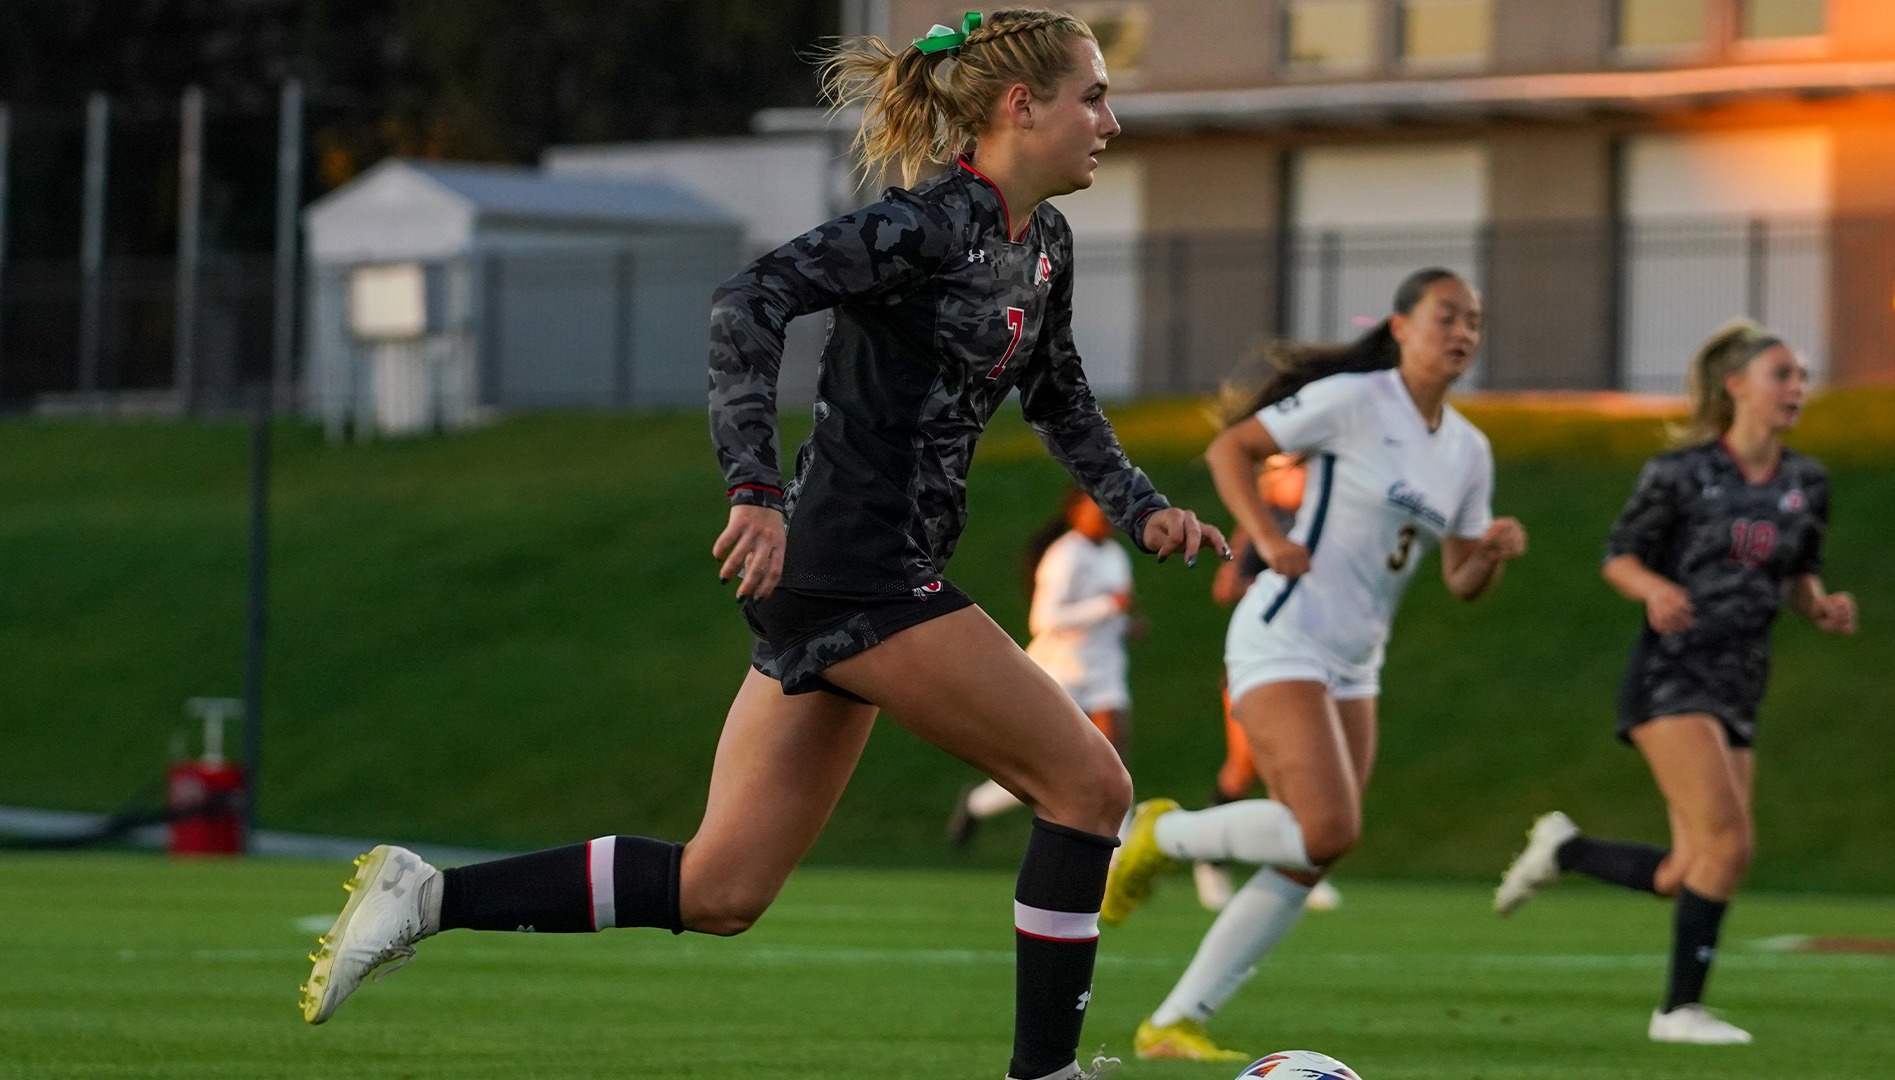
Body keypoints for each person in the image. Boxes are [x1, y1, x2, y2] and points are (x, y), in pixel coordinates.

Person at [296, 11, 1228, 1080]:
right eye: (1094, 95)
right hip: (858, 571)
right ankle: (1044, 1076)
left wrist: (1141, 506)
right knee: (1092, 790)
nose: (1111, 118)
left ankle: (428, 897)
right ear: (1022, 107)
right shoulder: (923, 228)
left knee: (720, 891)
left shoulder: (1042, 247)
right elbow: (750, 299)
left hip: (848, 582)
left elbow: (1059, 398)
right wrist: (753, 486)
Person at [1098, 267, 1528, 1062]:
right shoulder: (1359, 400)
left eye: (1473, 320)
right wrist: (1264, 535)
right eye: (1446, 317)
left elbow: (1462, 581)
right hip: (1284, 633)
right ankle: (1166, 834)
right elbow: (1233, 447)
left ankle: (1173, 1023)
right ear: (1401, 327)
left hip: (1357, 659)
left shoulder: (1470, 450)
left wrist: (1493, 552)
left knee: (1319, 845)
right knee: (1328, 824)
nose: (1462, 332)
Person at [1493, 321, 1855, 1046]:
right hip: (1673, 672)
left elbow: (1795, 571)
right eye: (1782, 374)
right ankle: (1678, 1013)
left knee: (1693, 867)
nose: (1796, 389)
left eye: (1801, 376)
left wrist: (1819, 604)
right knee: (1730, 847)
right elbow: (1619, 555)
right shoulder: (1681, 473)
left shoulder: (1806, 480)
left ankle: (1567, 851)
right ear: (1737, 386)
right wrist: (1653, 590)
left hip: (1743, 680)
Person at [950, 487, 1136, 847]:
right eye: (1099, 509)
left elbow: (1117, 608)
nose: (1108, 516)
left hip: (1105, 669)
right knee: (1045, 770)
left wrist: (1126, 623)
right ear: (1076, 512)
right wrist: (1105, 606)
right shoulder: (1064, 556)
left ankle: (1117, 860)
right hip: (1061, 671)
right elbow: (1044, 619)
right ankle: (978, 803)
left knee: (1115, 762)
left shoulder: (1115, 555)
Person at [1193, 458, 1339, 914]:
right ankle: (1207, 859)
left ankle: (1298, 868)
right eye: (1296, 471)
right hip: (1257, 663)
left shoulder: (1318, 520)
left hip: (1306, 662)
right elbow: (1226, 587)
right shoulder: (1262, 524)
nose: (1305, 478)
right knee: (1244, 768)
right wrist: (1277, 577)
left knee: (1298, 770)